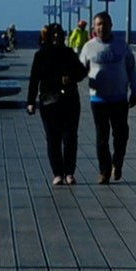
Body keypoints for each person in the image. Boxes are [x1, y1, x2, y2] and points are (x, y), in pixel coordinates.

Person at [26, 19, 87, 186]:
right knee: (53, 139)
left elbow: (82, 72)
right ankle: (58, 173)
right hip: (49, 101)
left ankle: (69, 173)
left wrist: (71, 77)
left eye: (58, 34)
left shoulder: (69, 53)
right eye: (53, 34)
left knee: (70, 138)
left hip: (69, 101)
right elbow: (34, 80)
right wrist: (30, 102)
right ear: (47, 37)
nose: (56, 37)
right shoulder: (40, 55)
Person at [81, 11, 136, 184]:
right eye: (98, 24)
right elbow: (80, 69)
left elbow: (131, 68)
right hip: (98, 99)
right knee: (102, 137)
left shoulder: (121, 45)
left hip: (119, 98)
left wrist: (135, 90)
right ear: (93, 27)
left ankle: (117, 162)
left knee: (121, 135)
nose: (101, 27)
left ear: (111, 26)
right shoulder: (88, 47)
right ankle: (104, 171)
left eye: (104, 24)